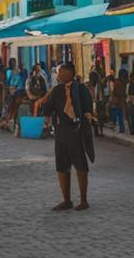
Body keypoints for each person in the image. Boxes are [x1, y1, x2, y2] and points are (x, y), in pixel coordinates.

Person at [39, 63, 94, 211]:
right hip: (62, 133)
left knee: (81, 166)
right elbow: (47, 109)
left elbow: (88, 109)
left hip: (77, 133)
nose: (58, 75)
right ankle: (66, 200)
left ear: (69, 73)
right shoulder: (57, 91)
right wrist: (45, 100)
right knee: (62, 167)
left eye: (60, 72)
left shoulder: (81, 89)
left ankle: (83, 200)